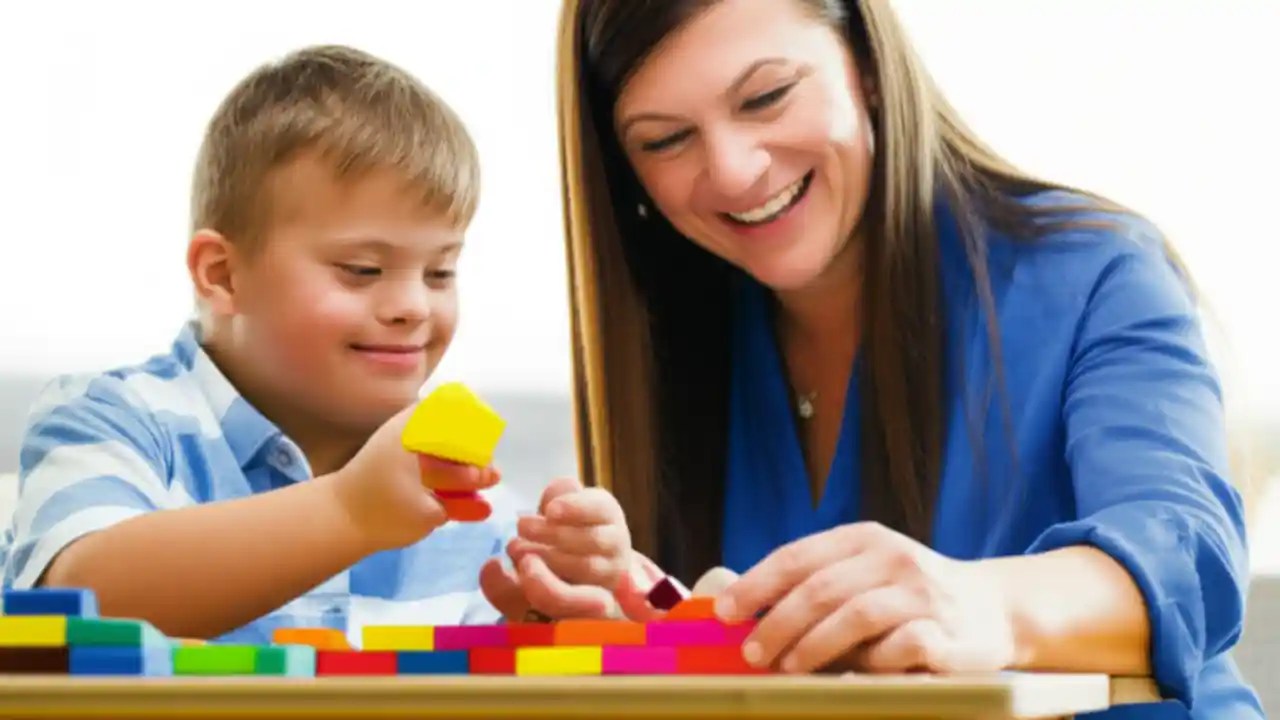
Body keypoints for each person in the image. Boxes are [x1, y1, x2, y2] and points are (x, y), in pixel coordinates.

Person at [550, 0, 1261, 716]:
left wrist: (982, 607)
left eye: (766, 97)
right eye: (667, 140)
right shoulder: (679, 345)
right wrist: (610, 647)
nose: (734, 173)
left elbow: (1187, 560)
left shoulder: (1092, 272)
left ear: (867, 66)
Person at [0, 44, 630, 644]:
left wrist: (546, 623)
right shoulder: (113, 422)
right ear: (222, 274)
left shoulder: (469, 503)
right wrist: (350, 511)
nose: (413, 305)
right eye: (362, 270)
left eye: (441, 271)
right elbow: (82, 599)